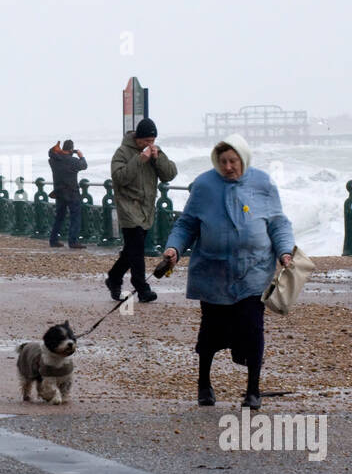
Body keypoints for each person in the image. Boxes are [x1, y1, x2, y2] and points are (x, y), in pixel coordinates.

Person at [162, 134, 294, 409]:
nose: (228, 167)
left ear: (243, 159)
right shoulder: (204, 185)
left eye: (233, 161)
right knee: (211, 331)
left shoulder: (263, 184)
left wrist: (284, 252)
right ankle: (204, 384)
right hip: (213, 273)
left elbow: (278, 223)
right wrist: (174, 249)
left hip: (253, 271)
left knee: (254, 329)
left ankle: (253, 390)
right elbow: (186, 224)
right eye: (222, 161)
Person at [107, 117, 177, 303]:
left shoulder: (155, 152)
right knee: (136, 251)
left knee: (131, 250)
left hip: (146, 209)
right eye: (146, 141)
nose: (149, 144)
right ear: (137, 138)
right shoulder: (122, 152)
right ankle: (141, 287)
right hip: (128, 207)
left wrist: (158, 158)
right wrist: (139, 160)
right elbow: (119, 178)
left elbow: (169, 174)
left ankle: (114, 277)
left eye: (152, 141)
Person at [47, 139, 88, 248]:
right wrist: (81, 156)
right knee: (75, 216)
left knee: (59, 217)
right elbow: (84, 165)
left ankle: (53, 240)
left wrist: (58, 152)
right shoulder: (73, 161)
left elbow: (51, 154)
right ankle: (73, 241)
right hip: (72, 193)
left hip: (59, 192)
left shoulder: (54, 161)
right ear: (71, 149)